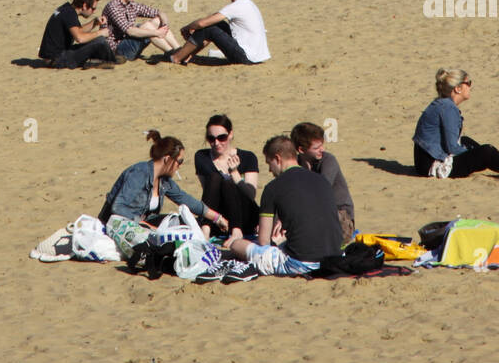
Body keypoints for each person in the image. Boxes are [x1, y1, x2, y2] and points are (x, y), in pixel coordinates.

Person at [224, 135, 346, 275]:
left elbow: (264, 241)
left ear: (277, 158)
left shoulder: (273, 187)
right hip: (337, 257)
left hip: (302, 263)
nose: (270, 170)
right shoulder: (321, 180)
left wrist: (276, 241)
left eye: (269, 163)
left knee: (237, 244)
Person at [98, 130, 227, 231]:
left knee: (184, 222)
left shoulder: (164, 181)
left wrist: (217, 218)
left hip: (144, 224)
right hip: (119, 225)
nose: (180, 166)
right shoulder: (139, 173)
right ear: (167, 159)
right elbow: (118, 207)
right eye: (179, 161)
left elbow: (185, 199)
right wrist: (142, 224)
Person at [412, 68, 499, 177]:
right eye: (468, 83)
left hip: (424, 162)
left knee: (466, 141)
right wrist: (471, 153)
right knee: (486, 152)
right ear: (458, 88)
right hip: (432, 165)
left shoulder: (442, 103)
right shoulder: (448, 108)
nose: (470, 86)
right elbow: (452, 147)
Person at [171, 0, 270, 66]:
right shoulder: (246, 2)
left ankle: (177, 57)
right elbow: (213, 17)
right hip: (256, 56)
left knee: (209, 28)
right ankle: (188, 55)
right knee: (218, 24)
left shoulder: (237, 6)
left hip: (247, 58)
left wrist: (186, 28)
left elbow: (202, 24)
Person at [194, 115, 260, 237]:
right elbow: (208, 192)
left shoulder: (247, 157)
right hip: (219, 216)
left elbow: (251, 195)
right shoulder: (201, 157)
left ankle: (236, 232)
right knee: (214, 178)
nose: (216, 143)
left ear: (230, 135)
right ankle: (205, 231)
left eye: (222, 137)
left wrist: (235, 174)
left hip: (244, 213)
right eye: (211, 138)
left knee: (228, 182)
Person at [290, 122, 355, 245]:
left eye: (321, 145)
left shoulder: (328, 161)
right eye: (316, 148)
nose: (322, 150)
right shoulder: (296, 164)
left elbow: (320, 191)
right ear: (301, 150)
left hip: (339, 215)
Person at [38, 0, 124, 69]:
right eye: (93, 8)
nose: (94, 11)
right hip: (57, 59)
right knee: (100, 40)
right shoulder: (69, 14)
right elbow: (80, 38)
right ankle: (109, 59)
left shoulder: (67, 9)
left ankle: (109, 58)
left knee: (97, 41)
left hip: (59, 54)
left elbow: (78, 30)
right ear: (84, 5)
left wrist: (94, 22)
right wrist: (99, 33)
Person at [101, 0, 180, 60]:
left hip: (128, 42)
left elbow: (160, 12)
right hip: (116, 51)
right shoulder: (113, 7)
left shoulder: (132, 5)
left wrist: (164, 25)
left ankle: (179, 50)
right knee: (146, 26)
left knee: (157, 20)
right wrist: (157, 33)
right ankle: (171, 54)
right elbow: (130, 31)